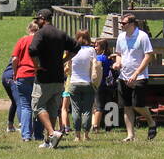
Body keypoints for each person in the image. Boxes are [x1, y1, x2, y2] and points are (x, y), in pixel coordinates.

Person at [29, 9, 75, 148]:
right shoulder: (60, 33)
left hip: (44, 78)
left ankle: (51, 133)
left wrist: (36, 65)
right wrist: (64, 60)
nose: (36, 22)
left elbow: (32, 50)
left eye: (38, 19)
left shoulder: (41, 33)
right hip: (59, 78)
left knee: (37, 107)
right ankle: (48, 142)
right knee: (52, 108)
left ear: (43, 19)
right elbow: (76, 47)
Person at [116, 13, 157, 142]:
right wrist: (118, 62)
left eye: (123, 23)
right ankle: (130, 135)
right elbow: (119, 53)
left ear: (132, 24)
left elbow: (148, 56)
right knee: (127, 106)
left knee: (138, 105)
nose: (121, 25)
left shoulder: (142, 36)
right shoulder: (121, 37)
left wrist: (136, 73)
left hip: (139, 77)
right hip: (123, 76)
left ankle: (151, 122)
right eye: (121, 23)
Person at [66, 29, 99, 142]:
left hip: (74, 83)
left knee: (76, 110)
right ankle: (86, 135)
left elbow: (68, 67)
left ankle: (77, 135)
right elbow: (95, 64)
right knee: (87, 110)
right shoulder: (91, 50)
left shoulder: (73, 50)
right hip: (87, 83)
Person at [11, 21, 42, 141]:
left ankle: (26, 135)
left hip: (22, 74)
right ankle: (38, 134)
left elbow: (14, 58)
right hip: (37, 75)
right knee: (39, 105)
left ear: (29, 29)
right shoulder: (41, 41)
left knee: (25, 106)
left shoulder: (22, 41)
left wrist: (15, 72)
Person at [92, 37, 118, 133]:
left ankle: (96, 127)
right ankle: (109, 126)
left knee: (98, 106)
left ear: (101, 47)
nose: (95, 48)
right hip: (109, 85)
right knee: (109, 105)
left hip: (100, 84)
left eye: (96, 46)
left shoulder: (99, 58)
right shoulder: (109, 58)